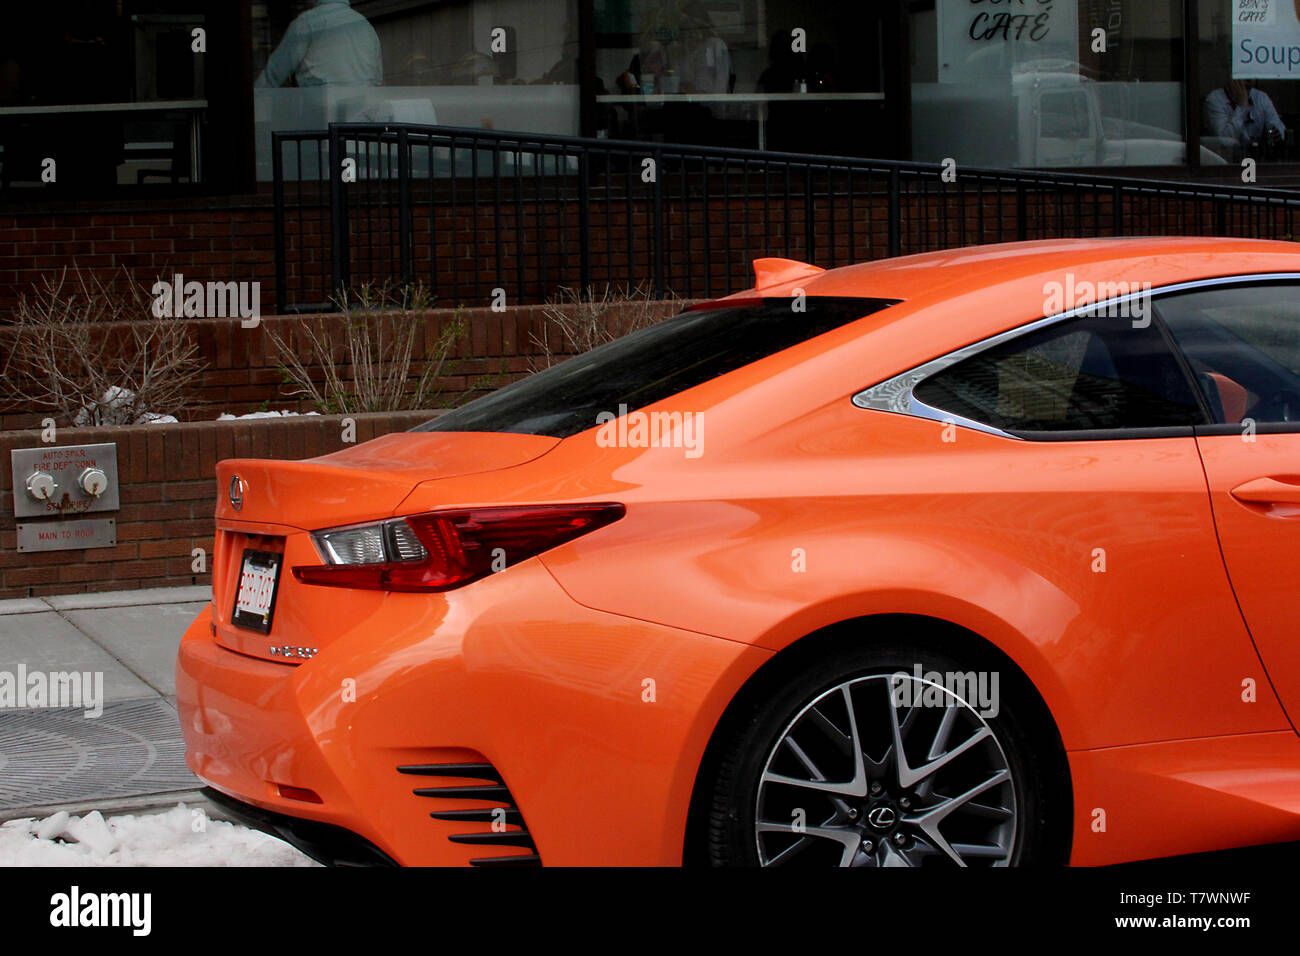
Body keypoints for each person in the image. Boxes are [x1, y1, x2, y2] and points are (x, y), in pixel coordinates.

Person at [255, 0, 382, 88]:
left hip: (321, 113)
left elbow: (274, 74)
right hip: (363, 115)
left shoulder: (307, 21)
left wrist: (252, 102)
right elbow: (377, 78)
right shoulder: (365, 25)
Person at [1203, 79, 1285, 152]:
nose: (1248, 80)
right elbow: (1224, 141)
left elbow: (1280, 130)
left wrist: (1275, 133)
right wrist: (1242, 106)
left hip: (1256, 158)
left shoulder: (1261, 98)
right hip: (1227, 160)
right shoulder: (1214, 100)